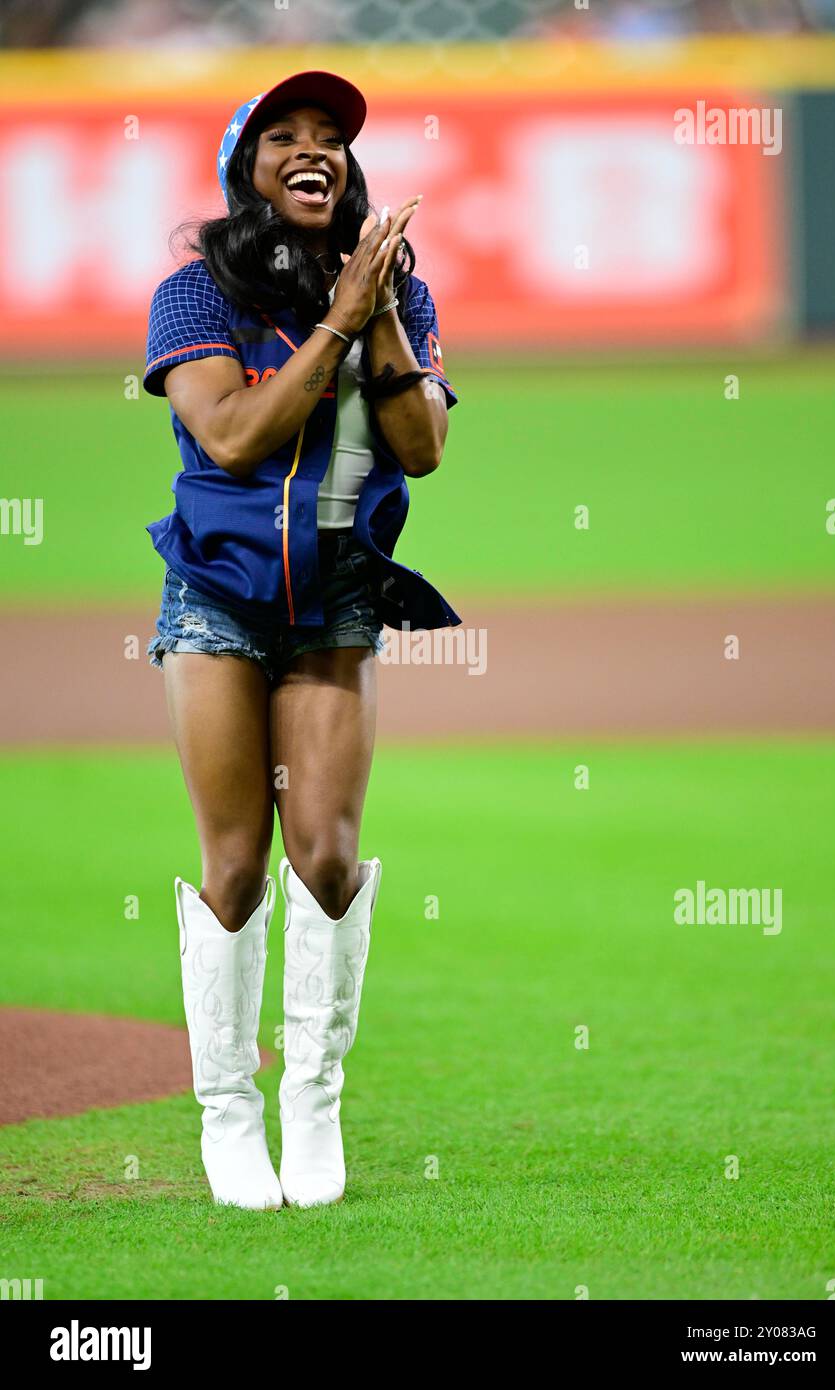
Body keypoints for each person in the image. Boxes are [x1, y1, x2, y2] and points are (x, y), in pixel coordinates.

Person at [143, 70, 459, 1210]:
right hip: (215, 604)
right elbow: (228, 437)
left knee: (323, 857)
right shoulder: (194, 297)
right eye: (284, 135)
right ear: (247, 168)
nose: (310, 148)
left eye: (330, 136)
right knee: (233, 866)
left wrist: (374, 305)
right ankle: (229, 1114)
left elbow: (419, 446)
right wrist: (335, 319)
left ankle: (312, 1104)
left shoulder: (395, 296)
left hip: (334, 607)